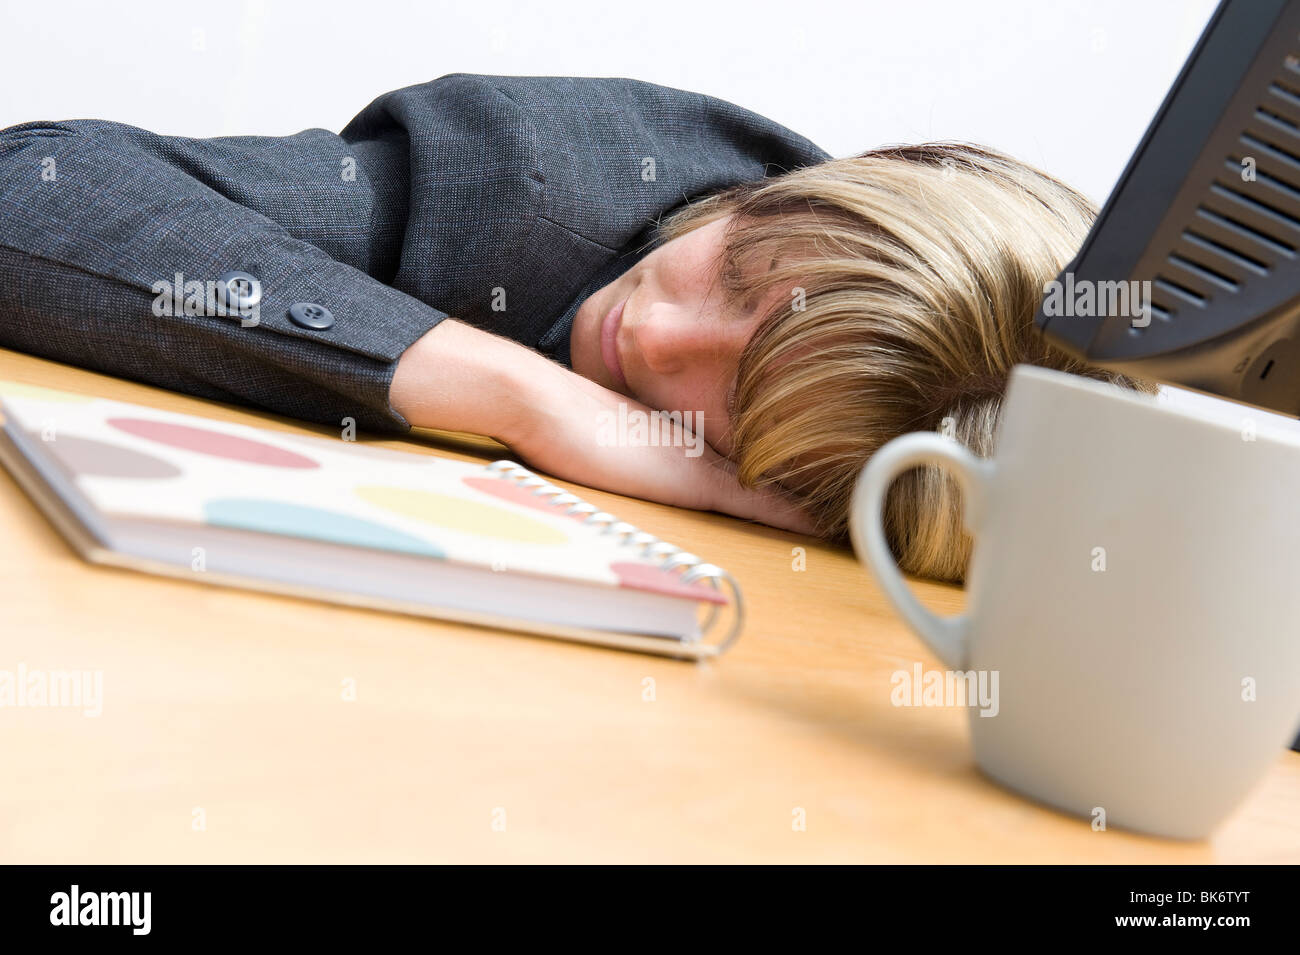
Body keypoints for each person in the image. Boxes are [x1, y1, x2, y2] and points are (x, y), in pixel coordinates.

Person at [0, 73, 1146, 582]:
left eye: (737, 400)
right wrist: (519, 393)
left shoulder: (912, 454)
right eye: (736, 270)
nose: (652, 337)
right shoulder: (540, 183)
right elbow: (37, 185)